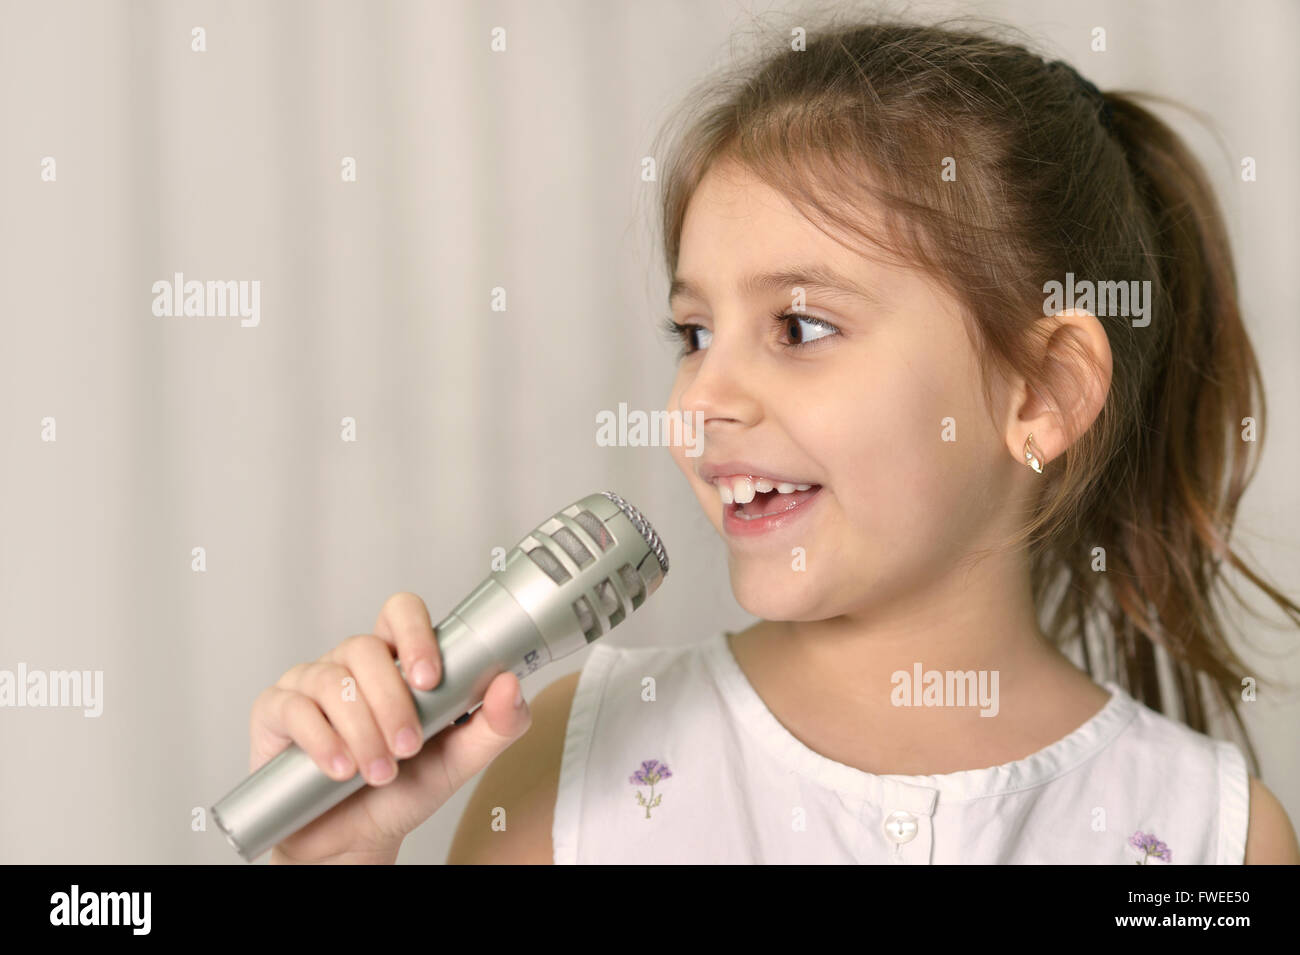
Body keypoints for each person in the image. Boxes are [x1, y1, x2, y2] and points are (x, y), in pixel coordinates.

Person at [248, 17, 1300, 864]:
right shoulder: (571, 763)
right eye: (693, 333)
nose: (703, 397)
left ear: (1043, 390)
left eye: (799, 327)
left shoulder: (1216, 837)